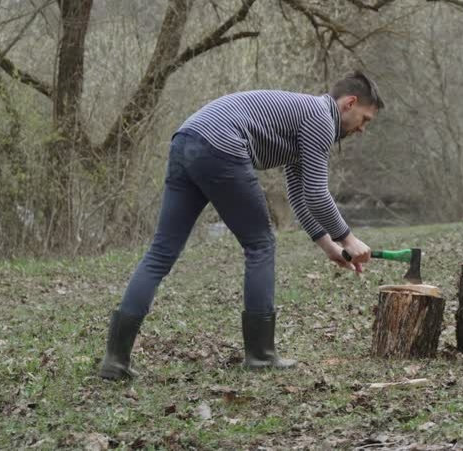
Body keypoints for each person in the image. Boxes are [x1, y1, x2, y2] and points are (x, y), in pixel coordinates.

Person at [98, 71, 382, 378]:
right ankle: (260, 355)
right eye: (364, 119)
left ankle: (115, 360)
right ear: (349, 103)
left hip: (187, 139)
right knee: (261, 244)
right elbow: (316, 193)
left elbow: (299, 195)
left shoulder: (305, 117)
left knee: (161, 252)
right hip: (221, 143)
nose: (363, 129)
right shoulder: (320, 118)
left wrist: (330, 246)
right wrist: (348, 238)